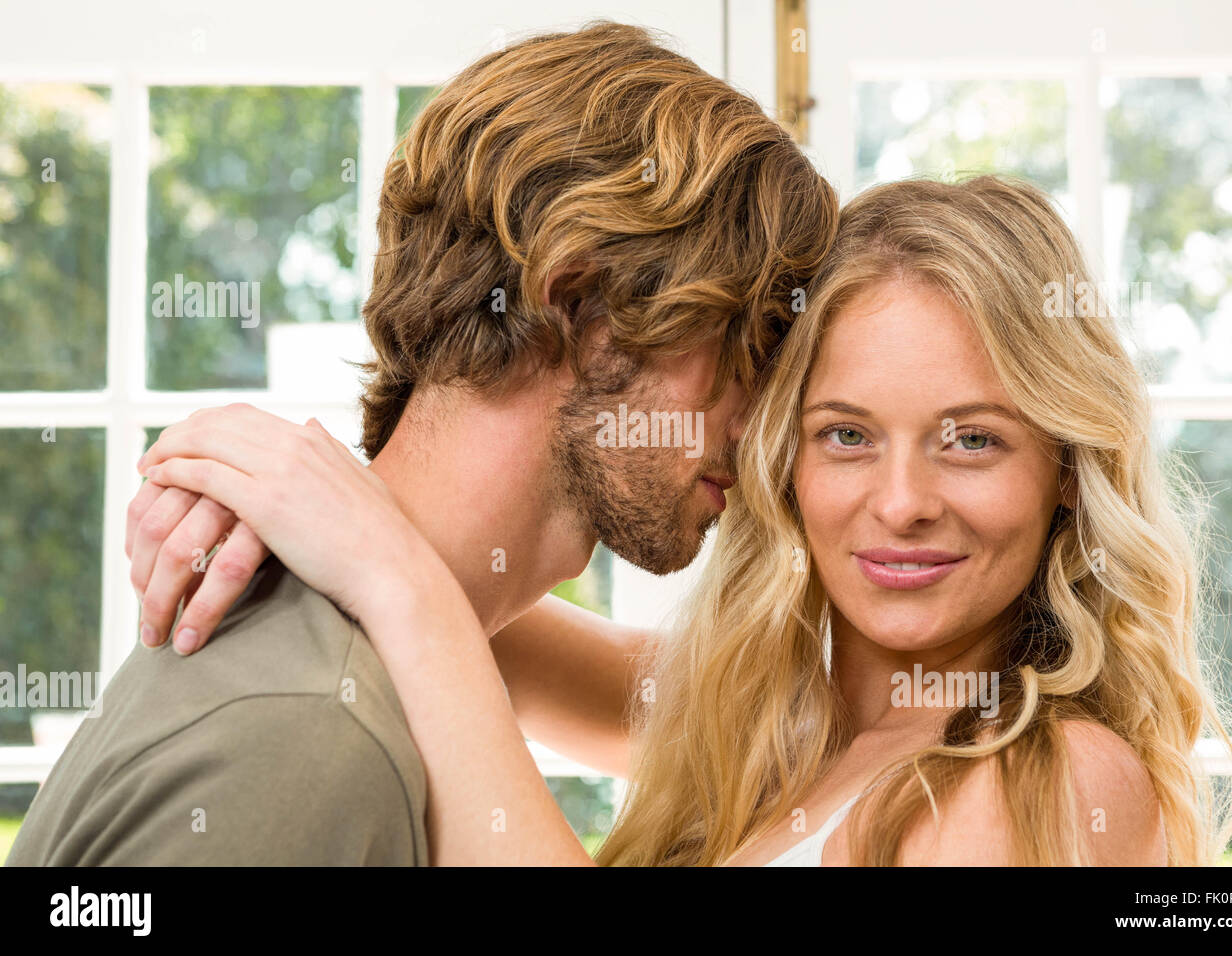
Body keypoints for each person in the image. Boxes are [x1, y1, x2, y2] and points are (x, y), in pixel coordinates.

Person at [121, 176, 1232, 866]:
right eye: (845, 433)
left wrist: (398, 586)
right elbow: (454, 580)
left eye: (972, 437)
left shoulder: (1066, 780)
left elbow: (425, 602)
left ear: (1062, 469)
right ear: (779, 454)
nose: (901, 501)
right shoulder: (753, 722)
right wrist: (251, 482)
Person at [3, 21, 836, 866]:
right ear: (580, 303)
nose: (764, 421)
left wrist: (397, 576)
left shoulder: (392, 650)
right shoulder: (311, 738)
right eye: (750, 348)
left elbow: (759, 715)